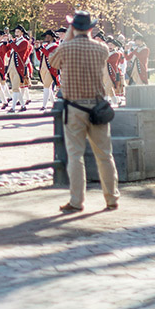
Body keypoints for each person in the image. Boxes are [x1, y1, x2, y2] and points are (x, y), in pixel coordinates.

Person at [49, 11, 120, 213]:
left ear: (73, 28)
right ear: (91, 28)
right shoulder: (101, 48)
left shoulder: (66, 48)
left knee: (75, 155)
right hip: (97, 107)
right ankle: (112, 198)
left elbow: (52, 62)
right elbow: (104, 56)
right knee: (105, 155)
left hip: (74, 108)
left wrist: (69, 37)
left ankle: (76, 200)